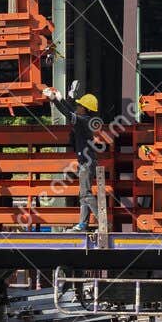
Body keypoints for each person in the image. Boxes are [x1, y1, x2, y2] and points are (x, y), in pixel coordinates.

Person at [45, 86, 103, 231]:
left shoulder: (84, 121)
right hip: (86, 162)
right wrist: (61, 98)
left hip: (86, 163)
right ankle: (83, 224)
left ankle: (103, 223)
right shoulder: (84, 120)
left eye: (79, 105)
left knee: (86, 194)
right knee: (83, 195)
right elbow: (71, 111)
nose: (77, 107)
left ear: (84, 108)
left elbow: (68, 113)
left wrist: (54, 100)